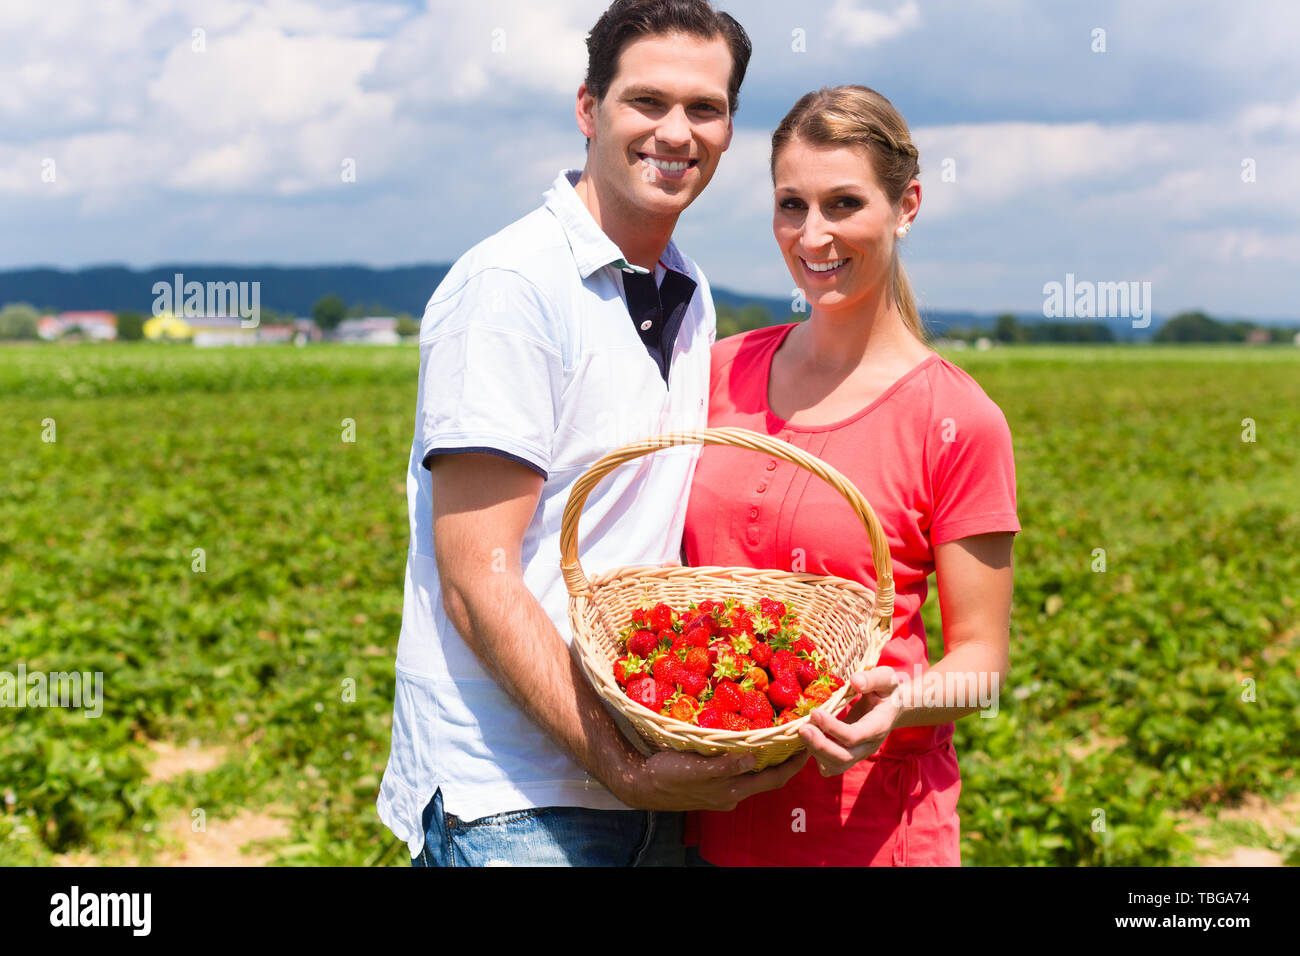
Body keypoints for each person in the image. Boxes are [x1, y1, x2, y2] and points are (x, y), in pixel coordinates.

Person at [377, 0, 806, 868]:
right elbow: (476, 579)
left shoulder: (686, 288)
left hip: (647, 785)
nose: (675, 132)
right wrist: (621, 766)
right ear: (588, 110)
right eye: (646, 102)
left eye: (705, 109)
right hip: (514, 803)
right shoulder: (511, 288)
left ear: (729, 130)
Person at [681, 85, 1021, 866]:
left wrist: (897, 705)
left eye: (843, 203)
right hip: (709, 816)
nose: (814, 234)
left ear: (907, 206)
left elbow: (983, 665)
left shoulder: (956, 419)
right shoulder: (718, 373)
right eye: (791, 205)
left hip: (868, 824)